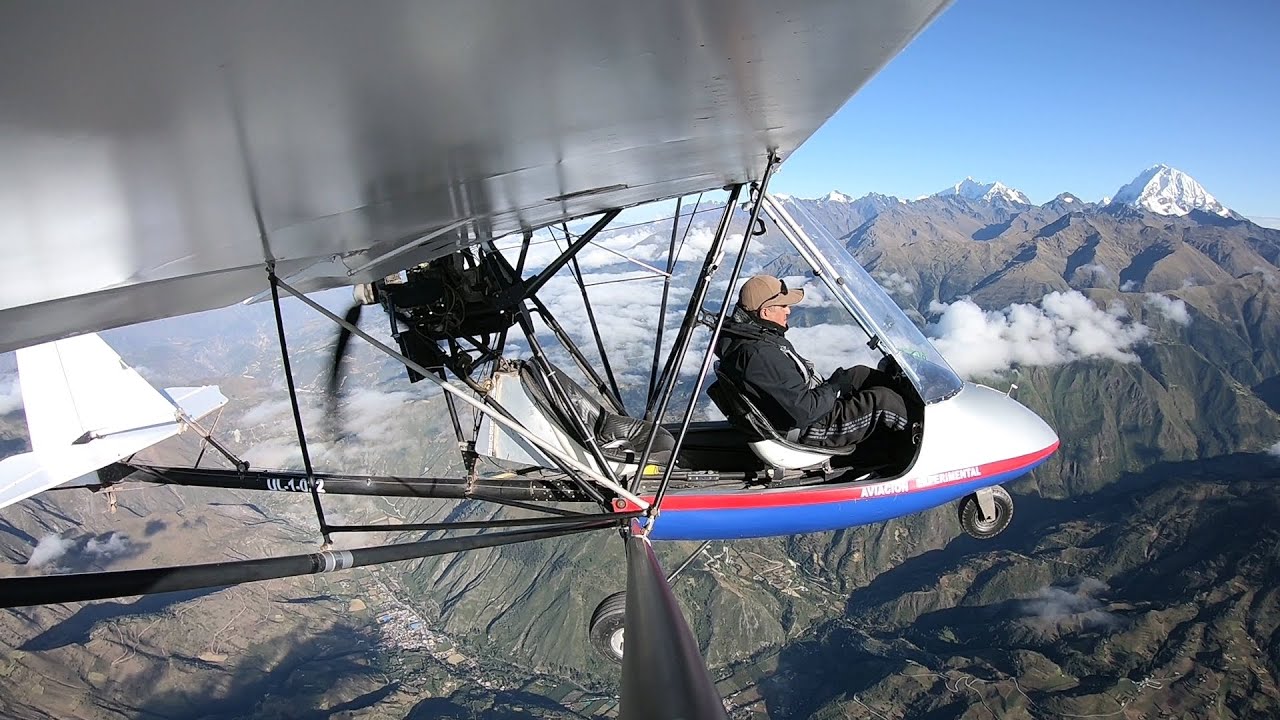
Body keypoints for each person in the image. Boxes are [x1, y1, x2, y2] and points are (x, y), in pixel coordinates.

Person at [714, 274, 911, 449]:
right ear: (765, 312)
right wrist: (833, 388)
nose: (788, 311)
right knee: (884, 401)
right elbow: (803, 411)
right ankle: (916, 438)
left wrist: (835, 386)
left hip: (802, 409)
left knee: (858, 374)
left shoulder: (753, 338)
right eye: (783, 306)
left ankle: (909, 407)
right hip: (808, 429)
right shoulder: (759, 354)